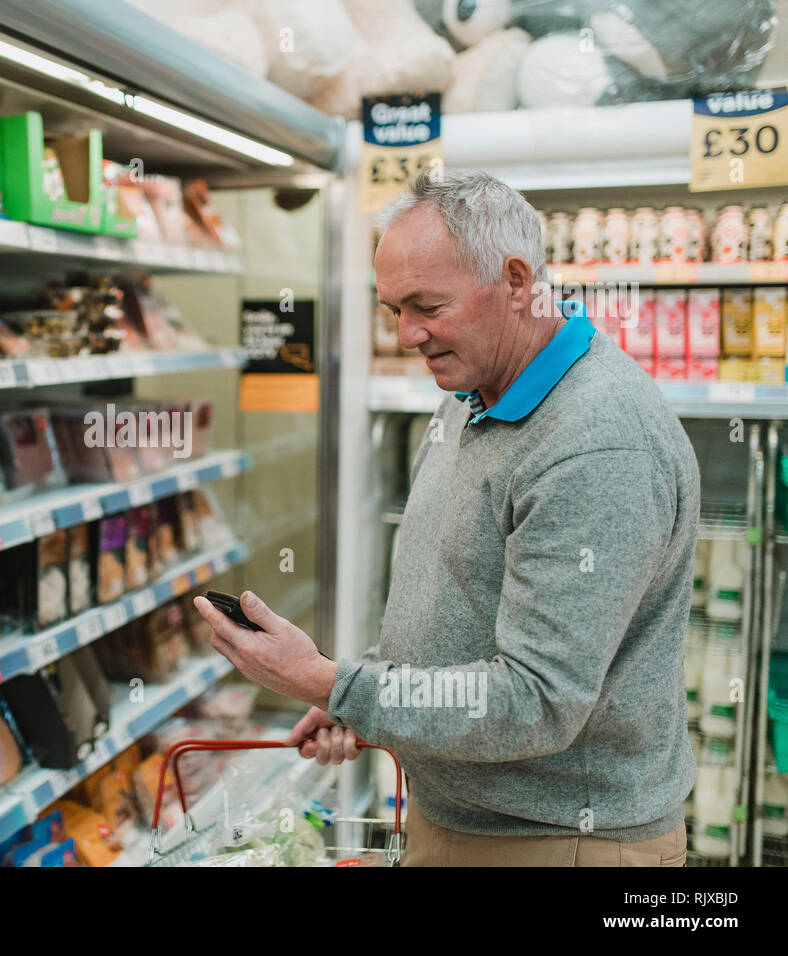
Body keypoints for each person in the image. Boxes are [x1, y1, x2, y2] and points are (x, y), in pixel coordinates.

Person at [193, 169, 698, 866]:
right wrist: (362, 696)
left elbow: (537, 700)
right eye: (392, 308)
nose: (406, 335)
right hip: (468, 819)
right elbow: (462, 601)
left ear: (518, 281)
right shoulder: (474, 391)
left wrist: (330, 682)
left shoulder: (595, 444)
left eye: (426, 305)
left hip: (558, 841)